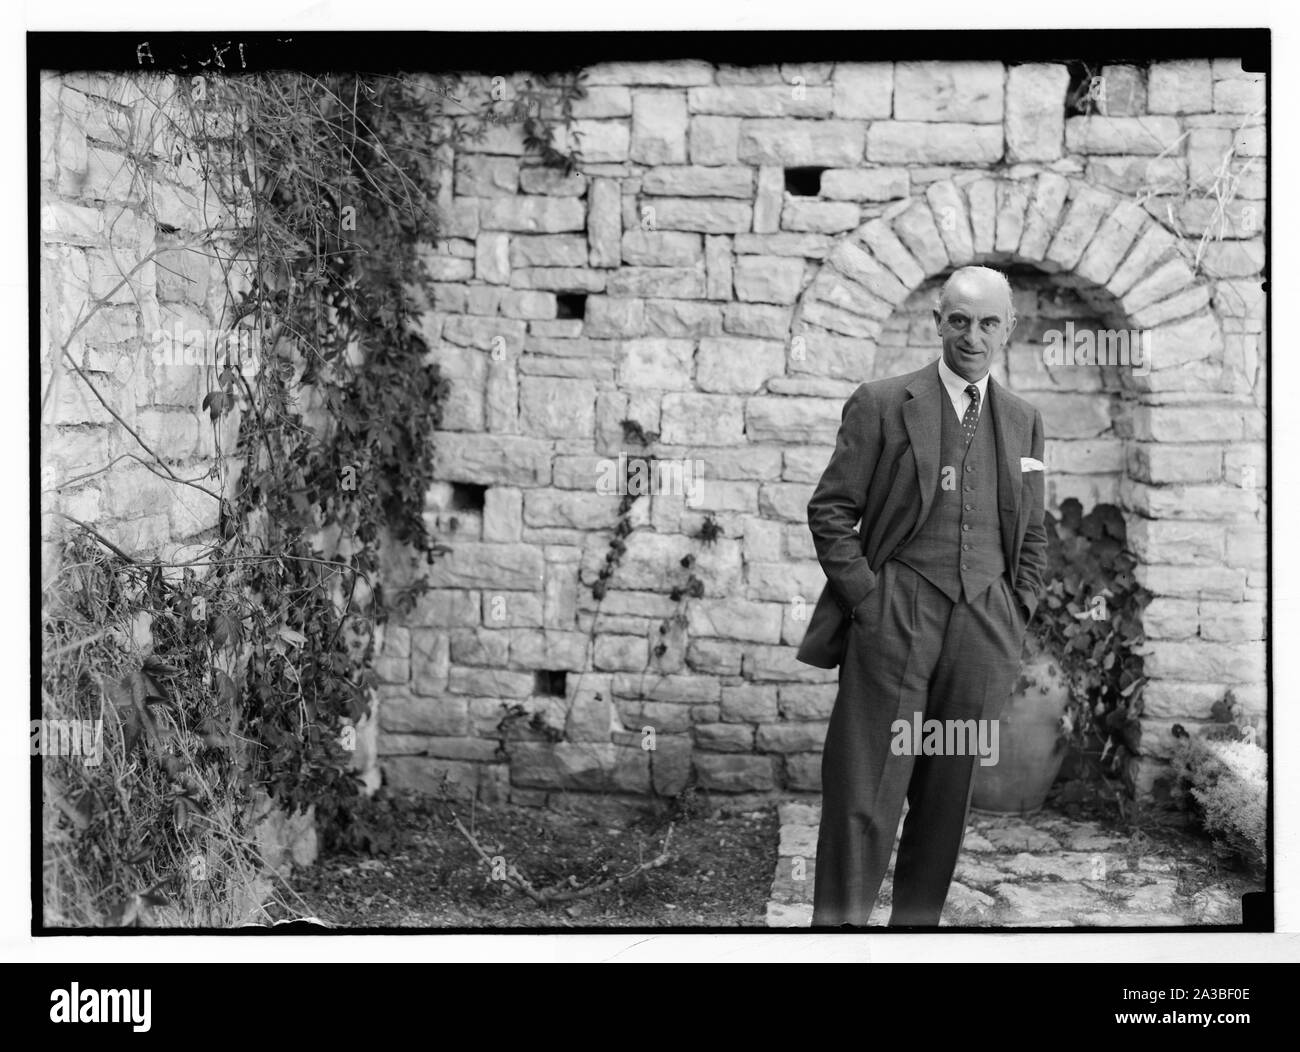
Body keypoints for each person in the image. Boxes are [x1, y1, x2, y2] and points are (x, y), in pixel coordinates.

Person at [797, 265, 1047, 927]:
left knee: (947, 796)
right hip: (898, 613)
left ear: (1008, 330)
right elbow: (830, 510)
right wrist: (868, 601)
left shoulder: (1024, 421)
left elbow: (1034, 530)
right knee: (864, 791)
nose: (973, 335)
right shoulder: (883, 403)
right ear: (936, 322)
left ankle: (916, 937)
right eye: (959, 319)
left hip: (984, 625)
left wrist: (1016, 609)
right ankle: (838, 937)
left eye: (988, 322)